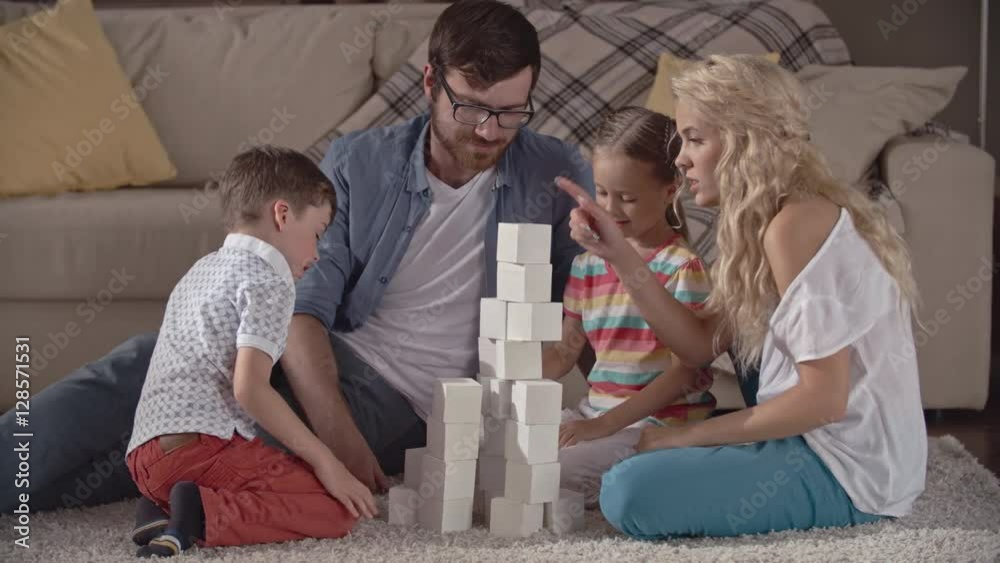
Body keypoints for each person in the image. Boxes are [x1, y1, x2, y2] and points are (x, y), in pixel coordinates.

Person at [0, 0, 593, 514]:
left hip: (411, 403)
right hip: (326, 355)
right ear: (431, 82)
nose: (491, 131)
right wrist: (335, 435)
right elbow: (304, 307)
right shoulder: (361, 161)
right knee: (151, 363)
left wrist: (587, 371)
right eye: (471, 109)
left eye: (512, 111)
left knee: (191, 446)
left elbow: (593, 296)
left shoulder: (555, 170)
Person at [555, 54, 926, 538]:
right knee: (628, 475)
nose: (681, 158)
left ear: (743, 143)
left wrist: (682, 439)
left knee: (628, 492)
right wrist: (623, 256)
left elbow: (824, 401)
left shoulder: (795, 225)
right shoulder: (762, 225)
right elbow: (698, 345)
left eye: (694, 139)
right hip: (806, 441)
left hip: (845, 466)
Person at [126, 146, 376, 558]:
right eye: (317, 233)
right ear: (282, 215)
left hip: (144, 456)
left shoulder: (202, 269)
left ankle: (158, 507)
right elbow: (251, 390)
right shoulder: (269, 280)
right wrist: (328, 463)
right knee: (335, 507)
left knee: (278, 473)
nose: (316, 255)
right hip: (196, 451)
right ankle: (198, 513)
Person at [541, 107, 715, 506]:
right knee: (507, 448)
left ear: (670, 191)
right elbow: (566, 352)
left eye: (628, 198)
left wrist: (603, 426)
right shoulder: (586, 265)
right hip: (597, 412)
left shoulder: (681, 268)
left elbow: (684, 375)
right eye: (602, 193)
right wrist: (504, 385)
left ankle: (663, 474)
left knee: (551, 472)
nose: (611, 210)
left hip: (657, 423)